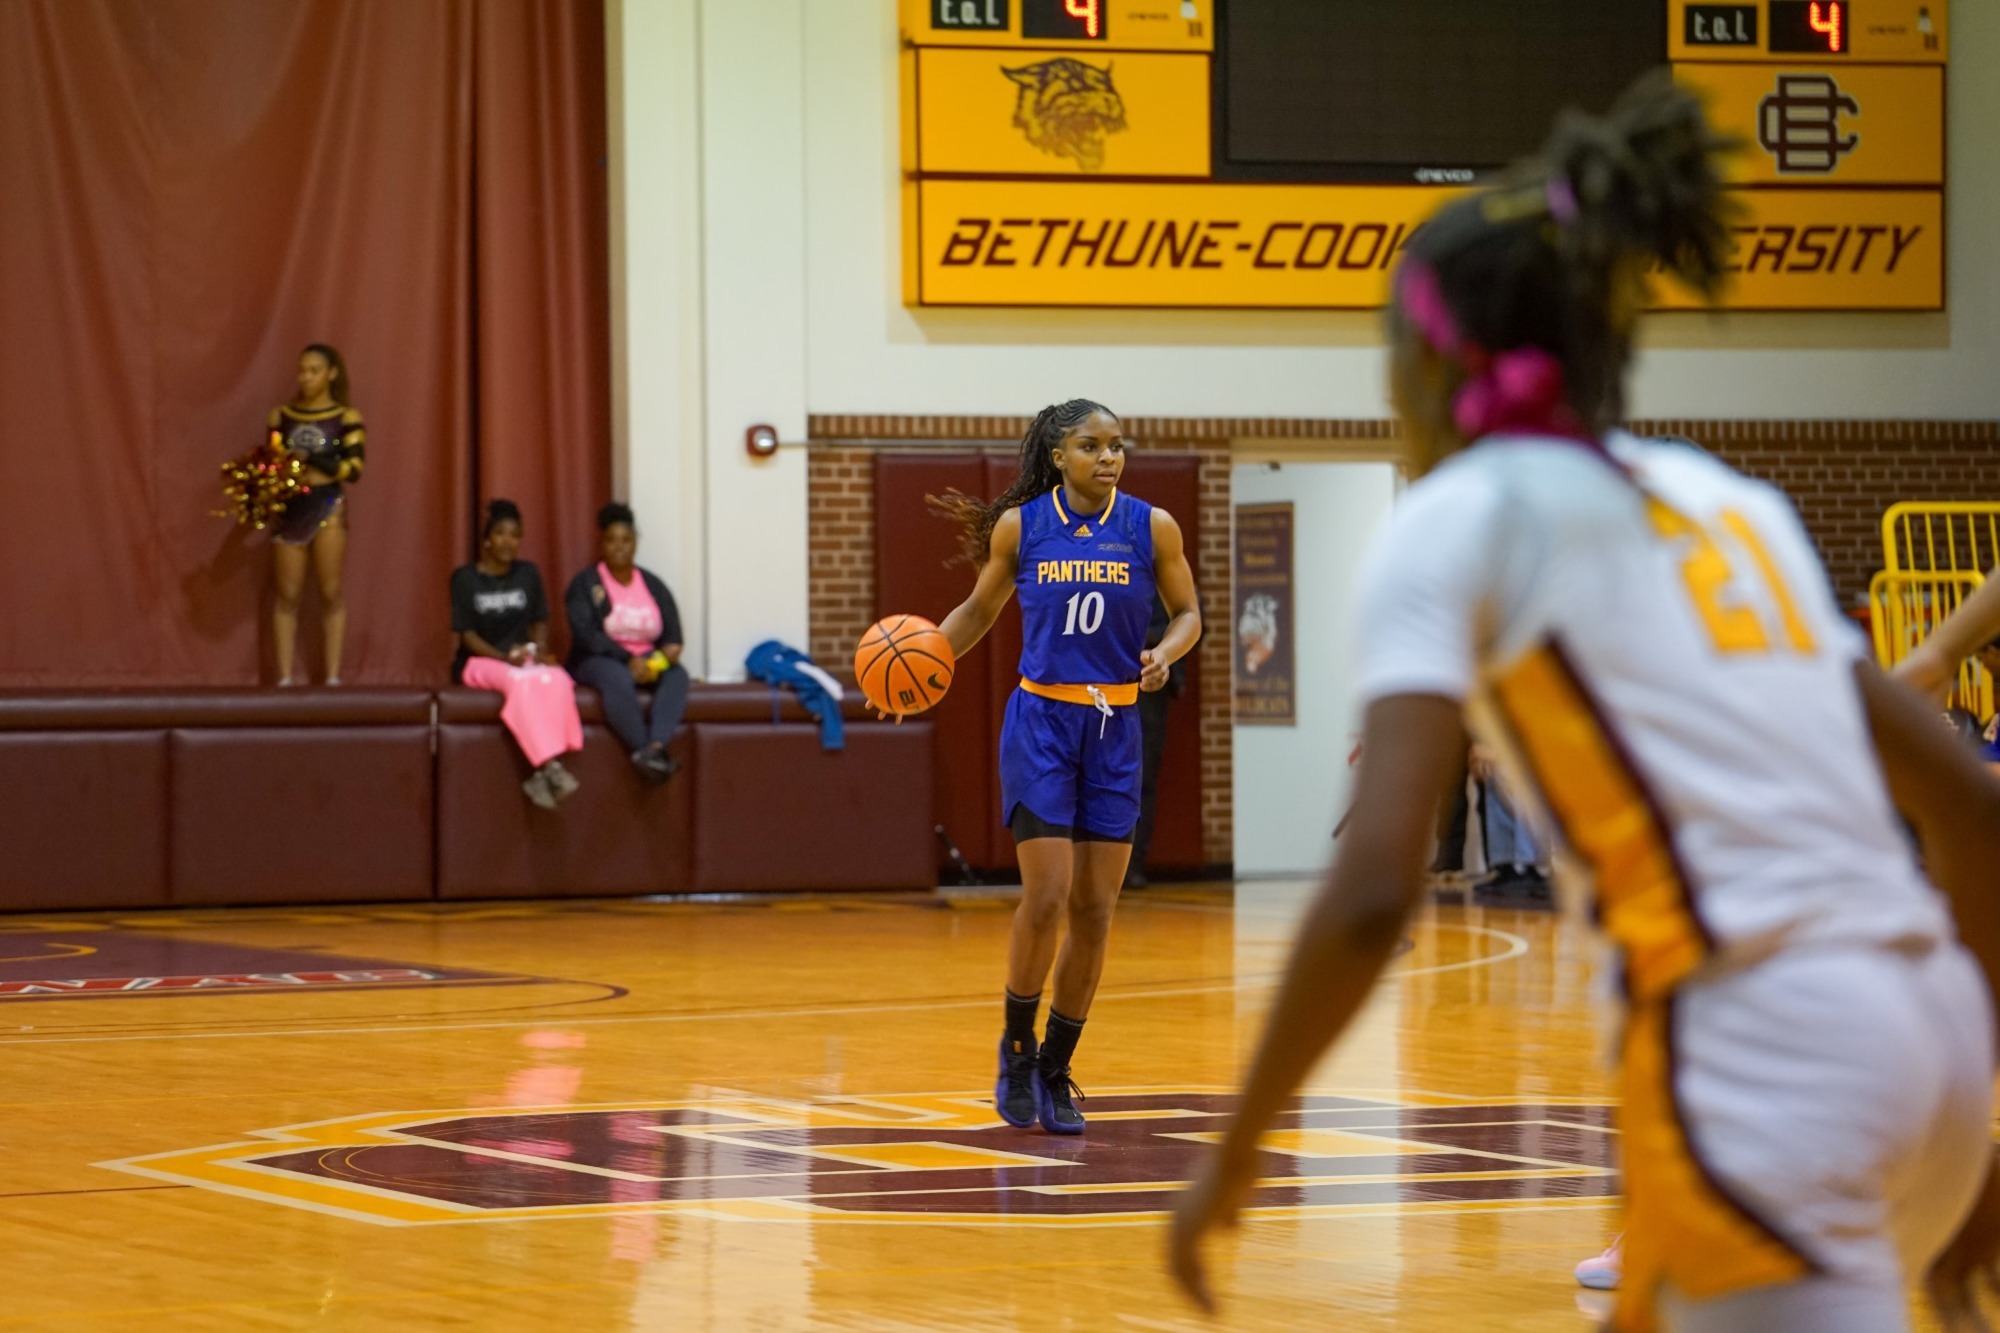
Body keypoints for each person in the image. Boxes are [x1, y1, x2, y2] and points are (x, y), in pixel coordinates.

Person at [1168, 75, 2000, 1333]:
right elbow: (1967, 807)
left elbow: (1375, 887)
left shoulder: (1458, 519)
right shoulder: (1727, 503)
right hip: (1929, 1031)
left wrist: (1237, 1146)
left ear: (1437, 352)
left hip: (1760, 1048)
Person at [929, 400, 1201, 1134]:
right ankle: (1015, 1051)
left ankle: (1056, 1063)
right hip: (1043, 720)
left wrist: (1164, 654)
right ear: (1059, 454)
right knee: (1047, 893)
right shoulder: (1023, 527)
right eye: (1092, 445)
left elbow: (1188, 614)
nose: (1109, 456)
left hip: (1114, 725)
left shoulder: (1153, 526)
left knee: (1096, 910)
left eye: (1118, 445)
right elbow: (978, 612)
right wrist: (923, 665)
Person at [451, 499, 583, 809]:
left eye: (514, 535)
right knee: (520, 683)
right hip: (478, 662)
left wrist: (536, 652)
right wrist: (502, 657)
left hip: (520, 658)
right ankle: (549, 767)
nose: (508, 541)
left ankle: (544, 776)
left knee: (557, 678)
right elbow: (467, 635)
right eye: (500, 534)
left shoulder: (528, 574)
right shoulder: (465, 579)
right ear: (487, 539)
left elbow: (540, 621)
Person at [565, 502, 690, 784]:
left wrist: (659, 660)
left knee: (678, 675)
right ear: (602, 544)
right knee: (616, 677)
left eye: (626, 540)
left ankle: (656, 747)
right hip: (597, 661)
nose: (619, 547)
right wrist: (627, 659)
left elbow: (673, 639)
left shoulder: (653, 584)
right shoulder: (586, 584)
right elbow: (587, 636)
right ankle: (643, 750)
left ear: (635, 543)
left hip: (646, 659)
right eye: (611, 540)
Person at [269, 344, 365, 685]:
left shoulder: (346, 417)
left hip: (328, 505)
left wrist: (310, 458)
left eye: (314, 370)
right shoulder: (282, 416)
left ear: (331, 374)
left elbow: (354, 469)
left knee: (330, 590)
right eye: (302, 370)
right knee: (287, 594)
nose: (305, 377)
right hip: (291, 506)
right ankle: (283, 678)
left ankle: (333, 676)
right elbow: (271, 463)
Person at [1127, 593, 1189, 888]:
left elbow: (1191, 618)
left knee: (1143, 779)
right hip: (1104, 682)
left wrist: (1160, 647)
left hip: (1148, 686)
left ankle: (1134, 863)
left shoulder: (1161, 569)